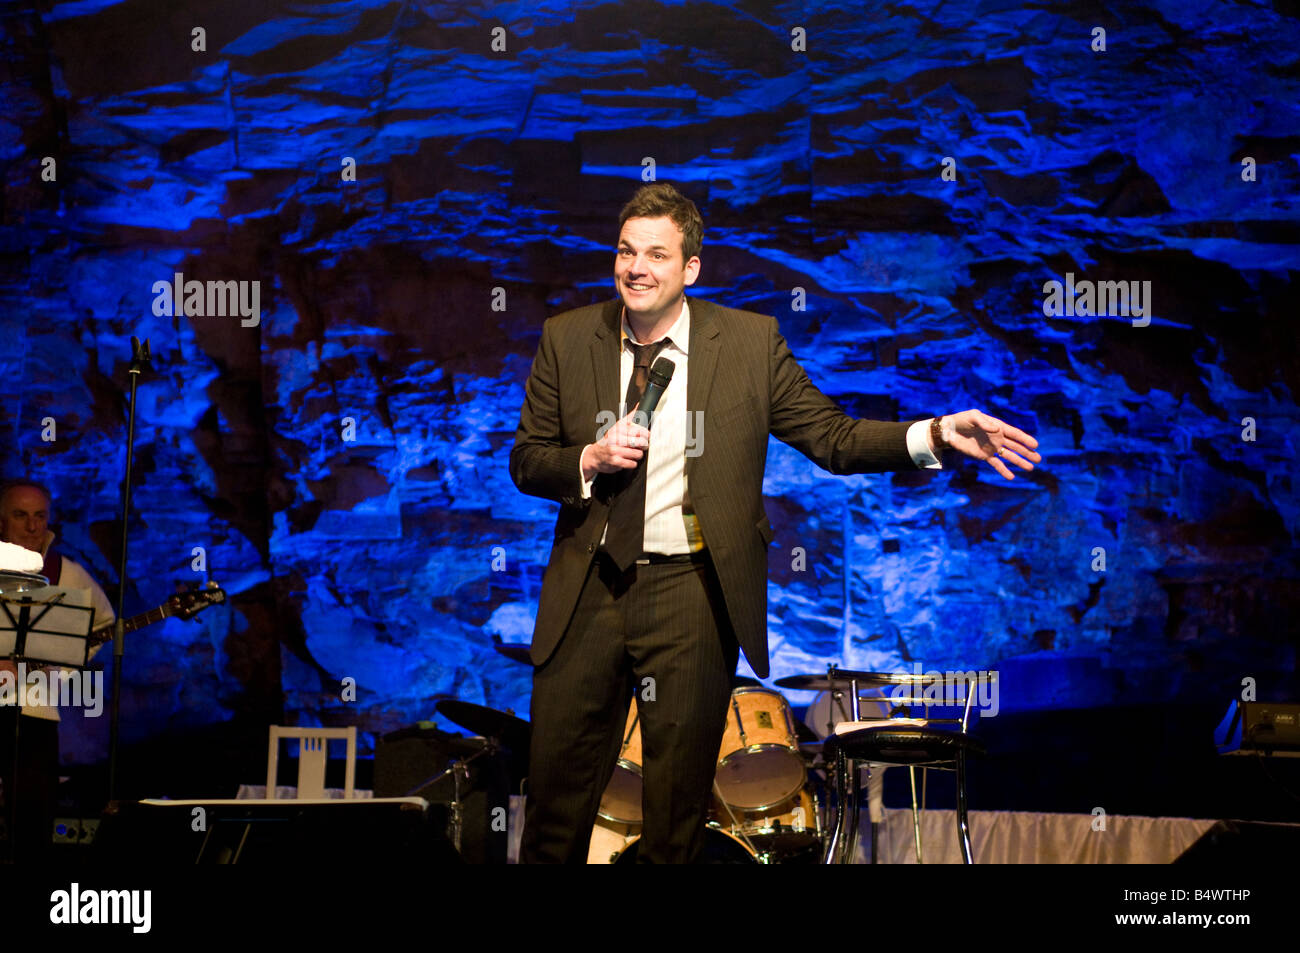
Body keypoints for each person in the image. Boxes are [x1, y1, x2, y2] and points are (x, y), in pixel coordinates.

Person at [509, 183, 1041, 863]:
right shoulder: (567, 337)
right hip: (589, 588)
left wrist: (934, 433)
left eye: (656, 255)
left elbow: (835, 438)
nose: (635, 267)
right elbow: (526, 459)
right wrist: (585, 456)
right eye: (625, 251)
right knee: (556, 810)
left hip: (691, 595)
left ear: (690, 268)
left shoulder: (749, 345)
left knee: (673, 822)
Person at [0, 479, 114, 860]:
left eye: (39, 516)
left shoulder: (65, 572)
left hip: (36, 713)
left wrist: (60, 664)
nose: (33, 526)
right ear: (2, 521)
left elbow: (102, 624)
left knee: (31, 822)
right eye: (20, 516)